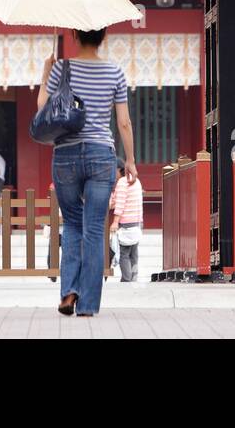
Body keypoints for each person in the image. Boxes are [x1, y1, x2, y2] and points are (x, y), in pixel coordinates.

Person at [40, 28, 137, 317]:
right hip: (100, 155)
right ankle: (89, 305)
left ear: (74, 36)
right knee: (95, 229)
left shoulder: (61, 68)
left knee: (71, 224)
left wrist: (46, 76)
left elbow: (42, 109)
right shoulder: (114, 73)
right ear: (104, 38)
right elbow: (123, 122)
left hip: (66, 154)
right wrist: (130, 159)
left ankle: (69, 291)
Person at [109, 160, 144, 282]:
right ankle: (134, 276)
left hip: (126, 222)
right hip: (137, 221)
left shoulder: (123, 182)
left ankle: (126, 278)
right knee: (134, 253)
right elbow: (117, 200)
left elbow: (120, 204)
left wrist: (115, 221)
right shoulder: (136, 181)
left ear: (119, 169)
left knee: (124, 253)